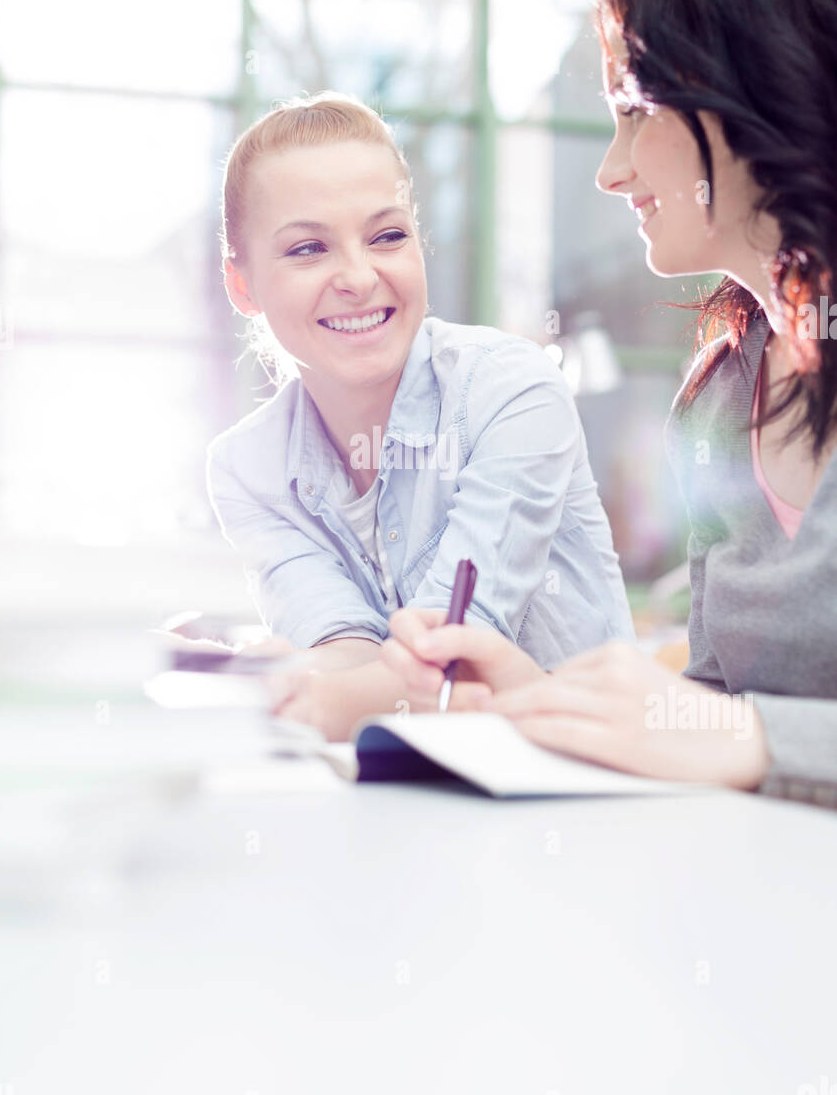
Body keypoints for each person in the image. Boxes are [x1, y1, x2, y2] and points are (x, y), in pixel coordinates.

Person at [383, 0, 837, 799]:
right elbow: (714, 707)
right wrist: (545, 701)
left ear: (753, 90)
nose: (610, 167)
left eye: (636, 109)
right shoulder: (717, 400)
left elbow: (740, 734)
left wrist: (753, 741)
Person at [206, 93, 633, 740]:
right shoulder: (248, 470)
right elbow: (344, 645)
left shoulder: (510, 391)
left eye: (387, 237)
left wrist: (305, 698)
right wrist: (291, 673)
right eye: (307, 249)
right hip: (411, 806)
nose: (358, 275)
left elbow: (455, 656)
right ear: (243, 286)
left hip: (588, 792)